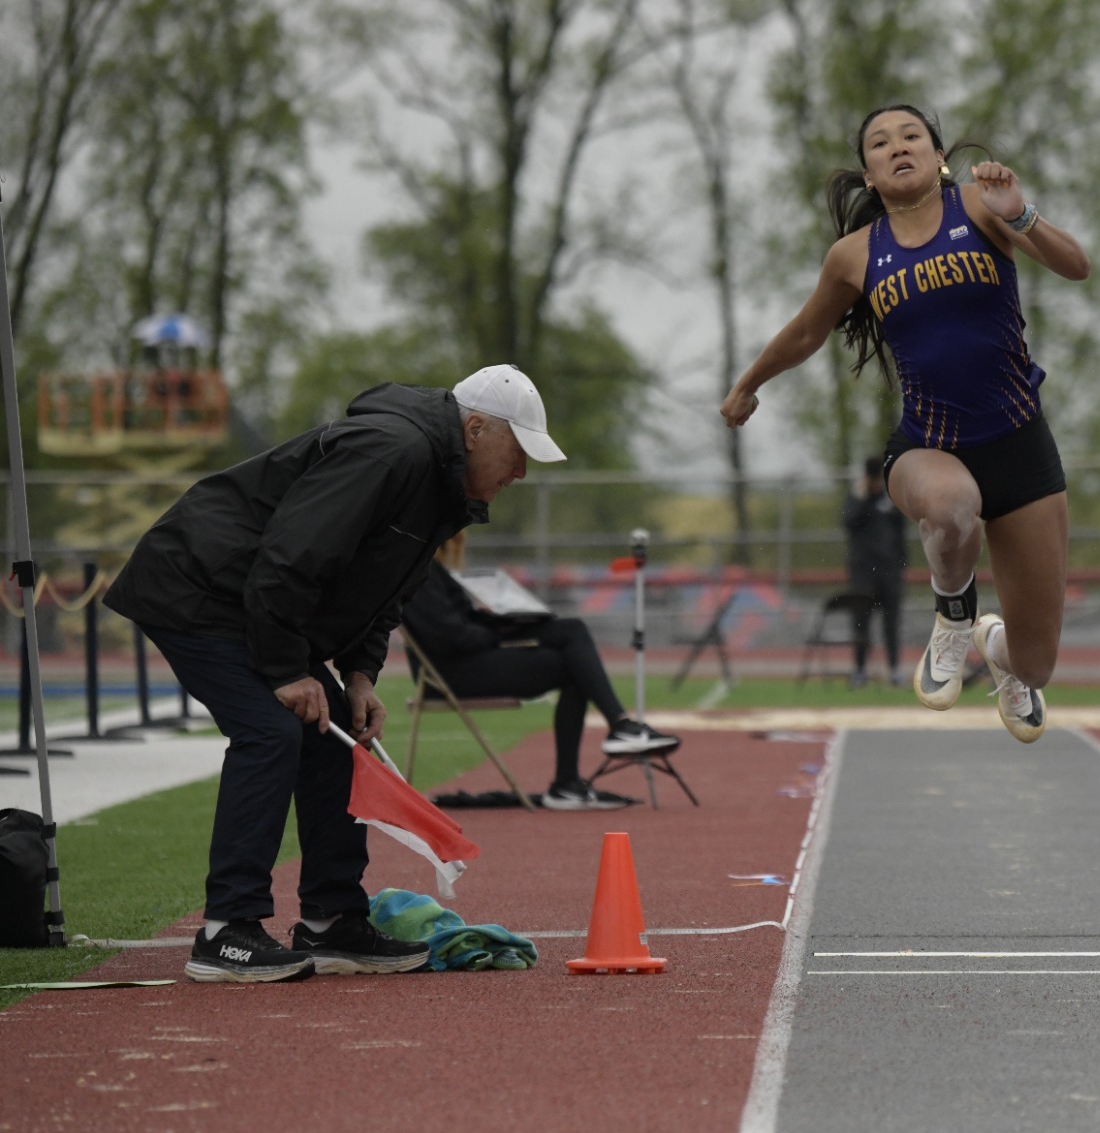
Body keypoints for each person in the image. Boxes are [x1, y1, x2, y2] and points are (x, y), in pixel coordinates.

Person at [105, 365, 564, 984]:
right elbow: (291, 555)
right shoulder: (390, 451)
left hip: (252, 600)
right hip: (201, 587)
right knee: (273, 732)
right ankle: (226, 931)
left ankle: (330, 922)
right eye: (518, 453)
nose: (522, 473)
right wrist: (288, 670)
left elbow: (385, 591)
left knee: (339, 743)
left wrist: (358, 675)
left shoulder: (441, 484)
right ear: (476, 429)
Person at [721, 104, 1090, 742]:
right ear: (868, 175)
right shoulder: (855, 255)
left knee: (1039, 664)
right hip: (929, 448)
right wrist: (749, 383)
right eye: (880, 143)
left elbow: (1076, 265)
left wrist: (1020, 214)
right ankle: (953, 614)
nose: (898, 147)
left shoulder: (980, 206)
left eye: (911, 136)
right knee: (952, 507)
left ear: (937, 154)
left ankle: (998, 648)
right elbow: (808, 330)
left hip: (1021, 448)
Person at [400, 534, 678, 809]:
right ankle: (588, 760)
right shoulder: (418, 570)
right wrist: (498, 630)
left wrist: (505, 620)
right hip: (452, 675)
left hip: (468, 659)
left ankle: (613, 734)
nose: (461, 538)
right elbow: (452, 637)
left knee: (572, 631)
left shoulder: (430, 569)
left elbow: (459, 627)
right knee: (572, 664)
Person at [842, 455, 907, 687]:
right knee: (861, 621)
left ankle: (894, 670)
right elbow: (848, 523)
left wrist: (901, 564)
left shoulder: (890, 499)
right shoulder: (856, 498)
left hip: (889, 571)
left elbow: (900, 533)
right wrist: (863, 498)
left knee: (891, 622)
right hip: (862, 571)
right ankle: (859, 670)